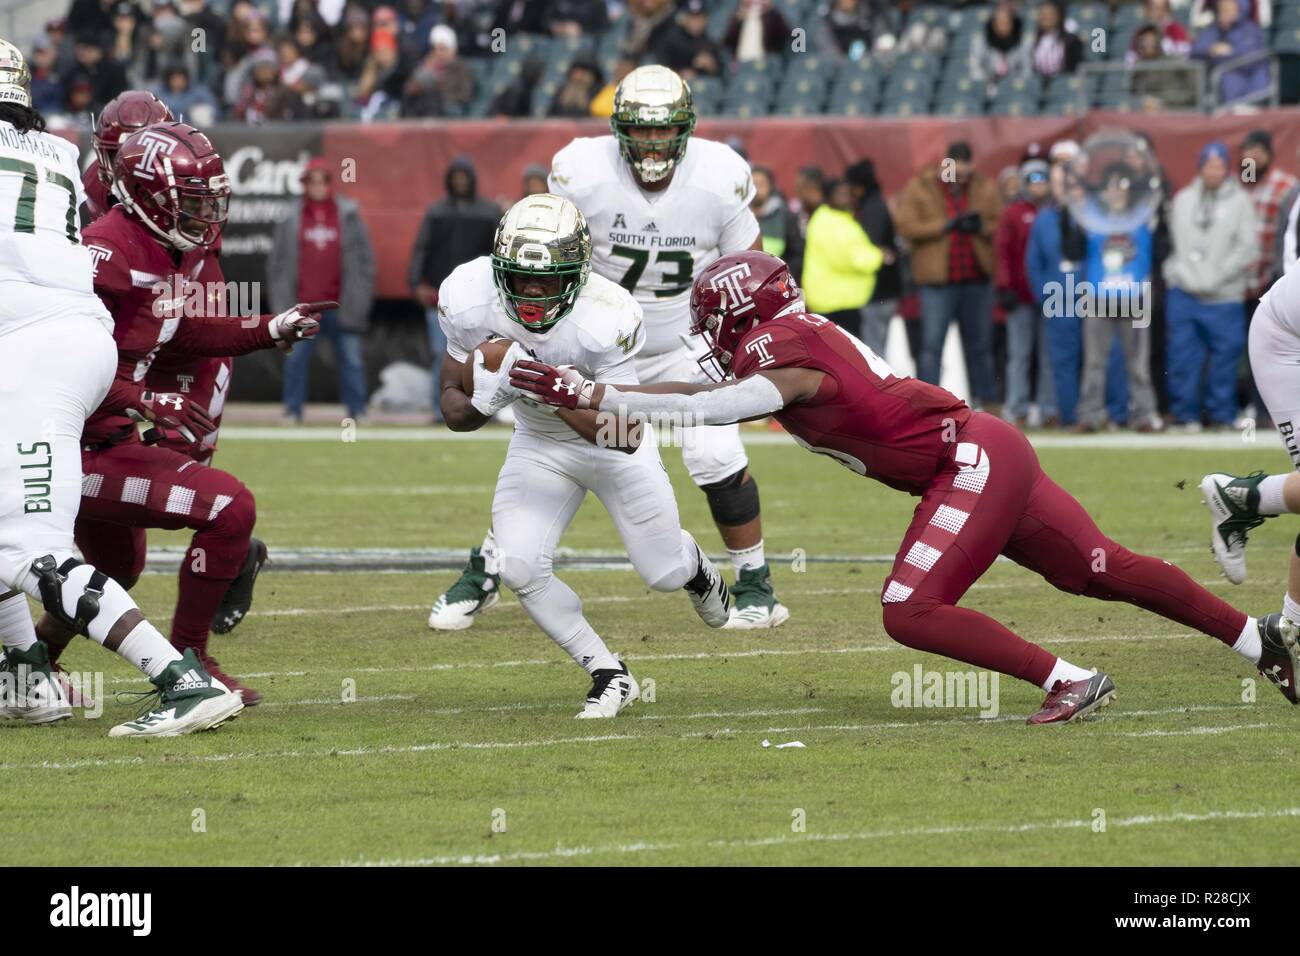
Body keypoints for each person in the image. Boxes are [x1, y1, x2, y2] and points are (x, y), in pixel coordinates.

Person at [511, 250, 1300, 723]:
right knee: (1096, 567)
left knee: (909, 610)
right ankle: (1260, 642)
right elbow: (698, 391)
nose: (712, 339)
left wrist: (600, 398)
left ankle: (1070, 679)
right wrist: (603, 394)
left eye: (717, 322)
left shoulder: (784, 356)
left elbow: (715, 404)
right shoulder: (796, 333)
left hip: (969, 462)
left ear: (745, 317)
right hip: (986, 449)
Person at [431, 65, 790, 632]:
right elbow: (547, 241)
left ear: (686, 128)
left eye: (663, 129)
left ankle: (755, 582)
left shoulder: (720, 176)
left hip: (684, 340)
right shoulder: (581, 170)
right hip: (589, 339)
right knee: (544, 449)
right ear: (618, 128)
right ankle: (492, 566)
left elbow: (749, 271)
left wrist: (745, 345)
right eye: (639, 130)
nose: (651, 143)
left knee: (715, 455)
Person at [34, 122, 328, 710]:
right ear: (147, 196)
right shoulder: (103, 256)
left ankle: (27, 665)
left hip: (107, 437)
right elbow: (53, 362)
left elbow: (186, 328)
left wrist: (269, 327)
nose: (205, 214)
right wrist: (142, 398)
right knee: (229, 507)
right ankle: (191, 661)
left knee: (116, 564)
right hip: (67, 449)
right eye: (192, 201)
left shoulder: (162, 247)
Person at [0, 50, 243, 736]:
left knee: (33, 550)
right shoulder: (52, 150)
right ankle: (25, 679)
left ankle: (182, 680)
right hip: (63, 339)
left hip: (30, 350)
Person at [434, 194, 731, 717]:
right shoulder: (467, 294)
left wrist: (547, 386)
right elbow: (453, 409)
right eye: (520, 278)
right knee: (519, 565)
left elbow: (624, 435)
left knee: (662, 573)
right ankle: (608, 672)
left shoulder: (607, 315)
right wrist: (488, 397)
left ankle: (695, 566)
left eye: (547, 281)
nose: (531, 292)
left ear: (577, 274)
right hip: (538, 444)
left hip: (611, 447)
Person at [269, 157, 376, 425]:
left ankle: (357, 410)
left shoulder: (348, 214)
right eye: (312, 181)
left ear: (330, 183)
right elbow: (277, 264)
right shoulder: (291, 217)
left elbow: (365, 261)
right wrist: (283, 304)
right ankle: (292, 411)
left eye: (322, 180)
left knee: (351, 360)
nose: (317, 186)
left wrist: (359, 299)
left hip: (341, 302)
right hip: (303, 305)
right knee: (295, 362)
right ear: (305, 184)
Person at [894, 140, 1001, 409]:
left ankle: (986, 403)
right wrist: (945, 225)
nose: (962, 176)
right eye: (957, 170)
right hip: (937, 282)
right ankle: (927, 405)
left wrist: (979, 226)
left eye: (967, 170)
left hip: (975, 279)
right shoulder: (921, 187)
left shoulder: (983, 186)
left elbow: (998, 222)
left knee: (979, 347)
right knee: (932, 346)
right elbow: (906, 226)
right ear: (947, 165)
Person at [1164, 140, 1257, 431]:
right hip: (1185, 293)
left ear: (1226, 168)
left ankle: (1221, 415)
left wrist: (1218, 275)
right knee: (1182, 358)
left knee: (1224, 361)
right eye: (1209, 166)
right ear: (1201, 167)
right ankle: (1185, 414)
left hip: (1224, 295)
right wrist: (1176, 272)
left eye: (1219, 166)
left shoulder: (1240, 201)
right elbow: (1173, 242)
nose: (1214, 172)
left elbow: (1248, 248)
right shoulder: (1183, 199)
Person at [409, 158, 500, 419]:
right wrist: (416, 283)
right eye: (456, 176)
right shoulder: (436, 212)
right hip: (443, 297)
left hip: (483, 298)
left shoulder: (488, 212)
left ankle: (485, 409)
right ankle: (441, 410)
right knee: (442, 354)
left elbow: (499, 251)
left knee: (486, 358)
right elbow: (421, 248)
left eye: (464, 176)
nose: (460, 182)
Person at [1075, 162, 1161, 433]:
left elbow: (1159, 191)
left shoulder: (1143, 217)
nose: (1115, 192)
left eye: (1121, 186)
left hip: (1134, 297)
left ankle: (1144, 415)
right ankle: (1090, 416)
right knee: (1094, 362)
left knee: (1138, 363)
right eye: (1110, 186)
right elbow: (1072, 248)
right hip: (1098, 297)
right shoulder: (1091, 219)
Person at [1240, 129, 1297, 427]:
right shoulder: (1240, 188)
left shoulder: (1284, 186)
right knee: (1255, 351)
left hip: (1271, 281)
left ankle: (1271, 413)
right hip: (1240, 282)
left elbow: (1285, 238)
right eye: (1248, 151)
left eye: (1258, 151)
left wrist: (1280, 277)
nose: (1253, 157)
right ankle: (1256, 409)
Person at [996, 159, 1056, 428]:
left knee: (1048, 355)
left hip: (1049, 295)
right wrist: (1005, 286)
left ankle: (1049, 408)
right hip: (1020, 295)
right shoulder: (1013, 213)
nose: (1039, 185)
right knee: (1020, 354)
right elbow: (1003, 253)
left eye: (1043, 180)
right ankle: (1017, 407)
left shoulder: (1055, 212)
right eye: (1034, 180)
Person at [801, 178, 882, 341]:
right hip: (836, 302)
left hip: (839, 300)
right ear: (828, 196)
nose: (846, 197)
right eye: (840, 194)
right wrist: (879, 256)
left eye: (848, 194)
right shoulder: (830, 221)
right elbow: (850, 259)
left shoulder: (836, 218)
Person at [846, 158, 900, 360]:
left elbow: (870, 248)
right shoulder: (875, 204)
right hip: (884, 291)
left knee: (874, 355)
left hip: (877, 292)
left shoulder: (871, 209)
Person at [1192, 0, 1269, 105]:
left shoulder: (1250, 29)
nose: (1225, 13)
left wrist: (1227, 53)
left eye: (1229, 9)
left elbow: (1248, 61)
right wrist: (1211, 49)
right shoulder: (1214, 28)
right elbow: (1195, 51)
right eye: (1222, 9)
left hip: (1251, 95)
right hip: (1222, 100)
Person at [1030, 0, 1082, 79]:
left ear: (1058, 16)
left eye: (1050, 14)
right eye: (1043, 14)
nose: (1046, 18)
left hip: (1063, 83)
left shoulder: (1071, 41)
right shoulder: (1032, 41)